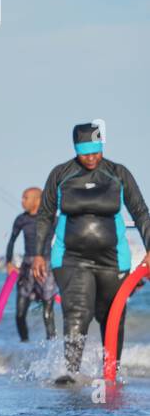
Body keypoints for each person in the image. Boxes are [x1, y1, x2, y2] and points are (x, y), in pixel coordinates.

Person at [32, 123, 150, 383]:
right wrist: (38, 254)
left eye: (96, 152)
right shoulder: (61, 174)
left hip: (113, 258)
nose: (92, 158)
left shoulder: (118, 173)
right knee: (78, 311)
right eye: (86, 153)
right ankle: (71, 374)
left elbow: (141, 211)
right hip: (70, 257)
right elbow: (44, 215)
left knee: (112, 316)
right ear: (76, 149)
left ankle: (111, 375)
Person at [4, 187, 56, 342]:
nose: (22, 201)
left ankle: (50, 345)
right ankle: (24, 343)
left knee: (47, 312)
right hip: (26, 267)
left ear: (37, 200)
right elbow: (11, 241)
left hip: (46, 267)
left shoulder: (51, 218)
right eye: (22, 198)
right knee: (20, 313)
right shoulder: (21, 219)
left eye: (25, 198)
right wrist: (9, 262)